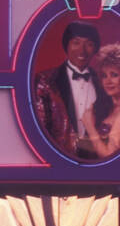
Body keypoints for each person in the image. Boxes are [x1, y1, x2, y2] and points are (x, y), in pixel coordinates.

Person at [32, 21, 106, 159]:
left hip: (96, 166)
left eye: (89, 44)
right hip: (56, 164)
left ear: (95, 48)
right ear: (66, 45)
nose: (82, 50)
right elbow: (38, 130)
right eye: (76, 42)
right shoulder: (45, 80)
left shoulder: (104, 84)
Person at [78, 44, 120, 161]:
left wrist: (89, 126)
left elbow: (110, 156)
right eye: (104, 75)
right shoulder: (116, 105)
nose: (107, 81)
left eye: (114, 75)